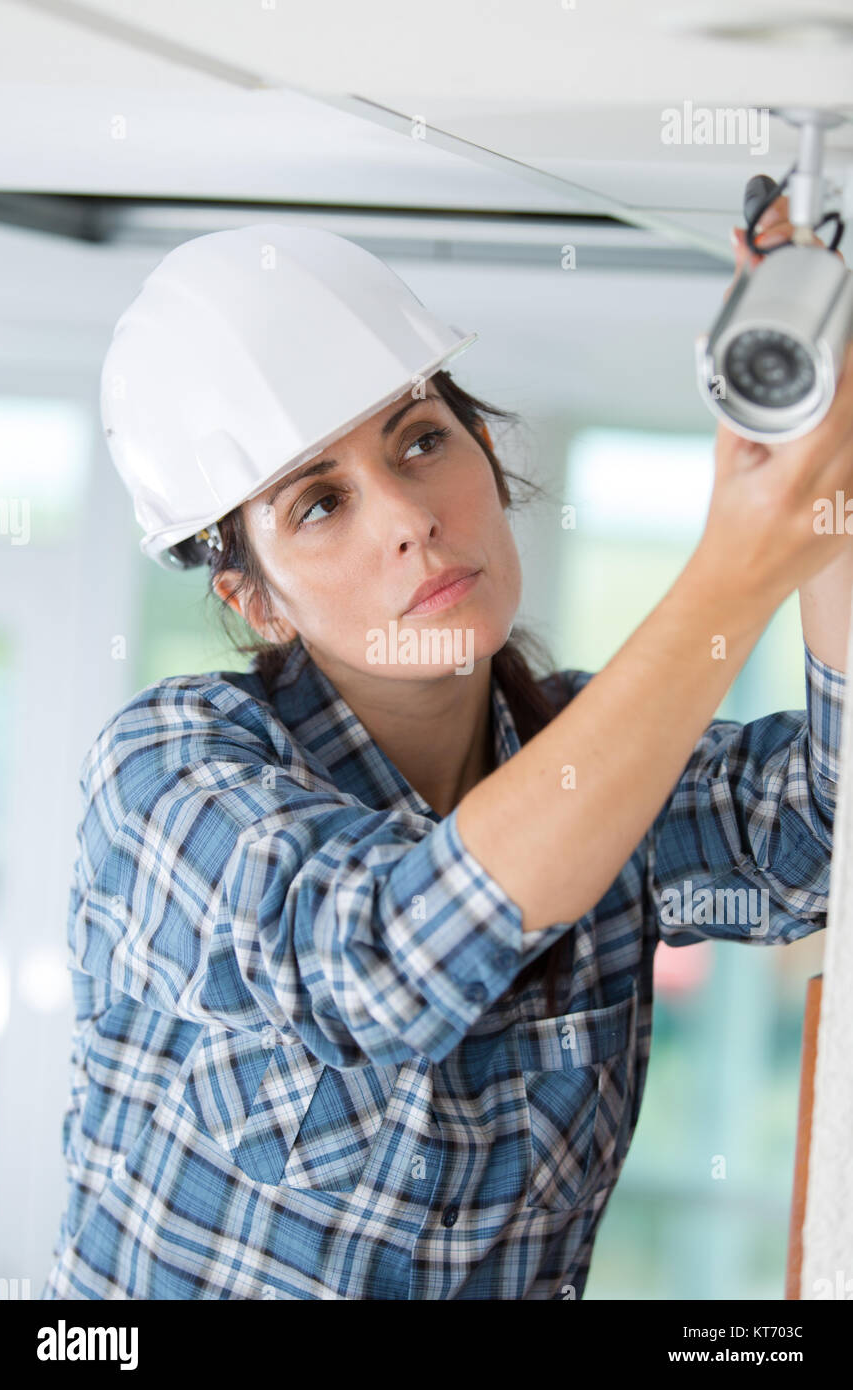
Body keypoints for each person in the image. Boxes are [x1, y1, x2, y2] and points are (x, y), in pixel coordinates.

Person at [42, 203, 853, 1300]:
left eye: (420, 440)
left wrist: (825, 472)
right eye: (319, 504)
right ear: (253, 600)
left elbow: (821, 833)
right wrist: (734, 568)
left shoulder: (591, 756)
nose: (405, 517)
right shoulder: (170, 770)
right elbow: (383, 958)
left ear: (483, 448)